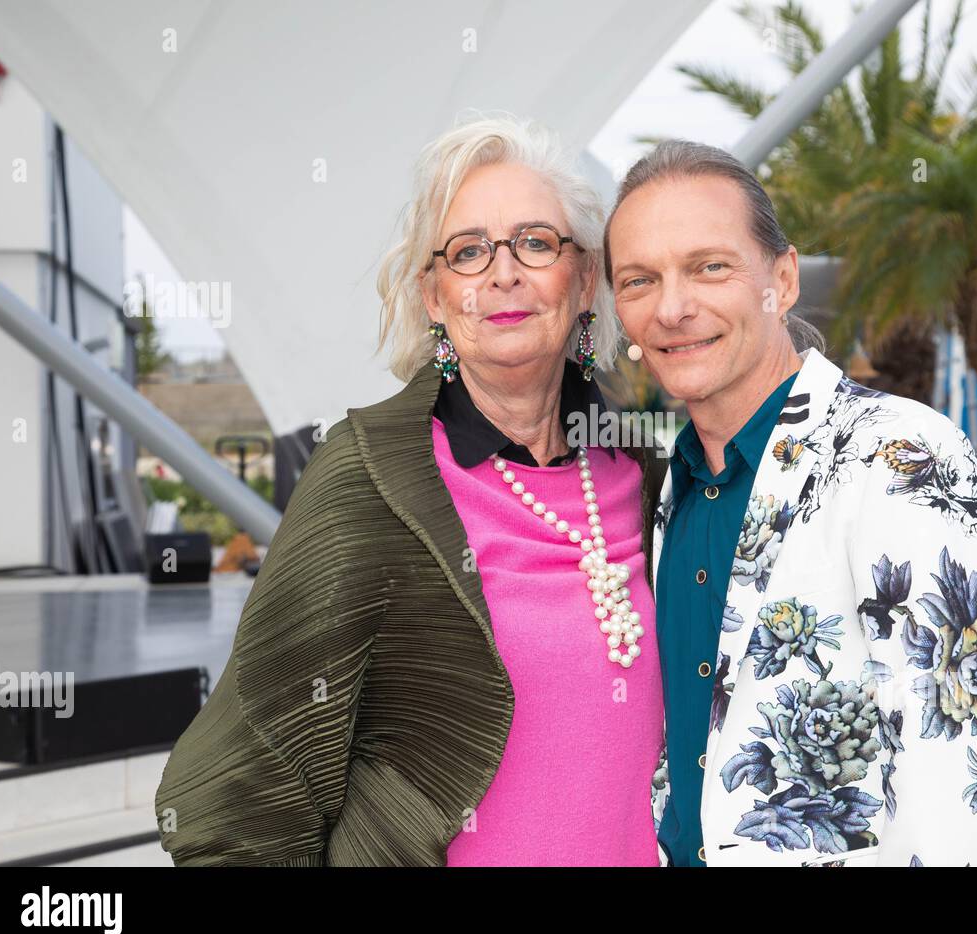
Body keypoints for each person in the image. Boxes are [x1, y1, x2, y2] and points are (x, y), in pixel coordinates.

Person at [154, 113, 667, 866]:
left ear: (585, 279)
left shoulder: (642, 476)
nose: (503, 273)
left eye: (535, 242)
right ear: (432, 296)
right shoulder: (369, 478)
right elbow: (236, 794)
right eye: (467, 252)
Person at [605, 140, 977, 866]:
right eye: (640, 280)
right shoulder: (666, 490)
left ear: (784, 279)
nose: (673, 308)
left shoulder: (899, 453)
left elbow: (961, 780)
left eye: (710, 266)